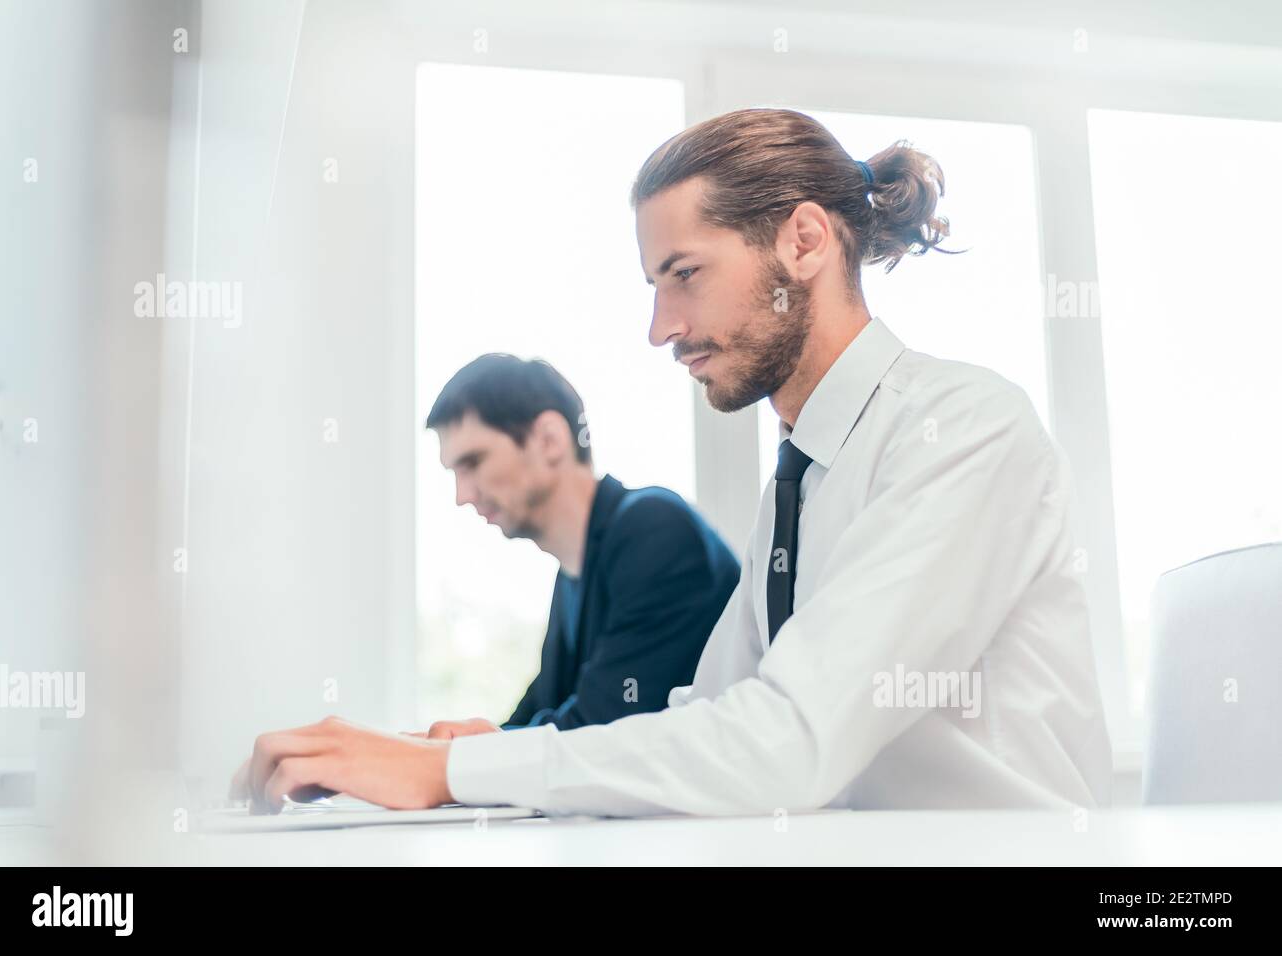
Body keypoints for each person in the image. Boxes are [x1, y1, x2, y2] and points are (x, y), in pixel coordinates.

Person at [234, 108, 1112, 816]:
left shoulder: (962, 428)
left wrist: (445, 775)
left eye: (684, 274)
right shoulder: (803, 473)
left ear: (804, 243)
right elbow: (707, 717)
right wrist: (476, 758)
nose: (662, 328)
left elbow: (789, 741)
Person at [422, 353, 739, 731]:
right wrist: (428, 752)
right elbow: (532, 720)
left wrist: (447, 758)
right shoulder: (573, 574)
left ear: (549, 440)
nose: (462, 494)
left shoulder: (656, 531)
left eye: (473, 462)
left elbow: (597, 735)